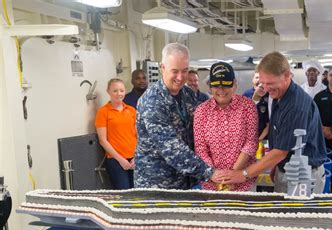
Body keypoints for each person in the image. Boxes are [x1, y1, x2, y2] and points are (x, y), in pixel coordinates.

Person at [222, 52, 327, 194]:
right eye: (263, 83)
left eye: (270, 83)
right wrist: (276, 166)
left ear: (287, 75)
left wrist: (243, 174)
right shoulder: (278, 95)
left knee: (300, 215)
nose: (266, 88)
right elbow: (278, 134)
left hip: (302, 177)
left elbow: (281, 152)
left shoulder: (296, 106)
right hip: (285, 169)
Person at [134, 42, 224, 189]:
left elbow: (201, 131)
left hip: (187, 180)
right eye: (174, 71)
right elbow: (171, 148)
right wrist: (209, 172)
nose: (180, 77)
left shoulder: (188, 94)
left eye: (185, 71)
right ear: (163, 68)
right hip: (157, 184)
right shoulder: (152, 101)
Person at [193, 62, 258, 191]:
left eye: (226, 85)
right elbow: (200, 148)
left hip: (242, 180)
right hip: (212, 183)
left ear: (234, 84)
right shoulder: (201, 111)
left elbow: (251, 143)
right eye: (216, 86)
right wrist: (214, 175)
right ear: (210, 87)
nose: (221, 90)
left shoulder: (248, 107)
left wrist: (233, 174)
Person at [95, 78, 137, 189]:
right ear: (108, 91)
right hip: (116, 160)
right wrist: (120, 160)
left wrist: (136, 157)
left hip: (134, 159)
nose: (119, 94)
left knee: (138, 192)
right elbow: (103, 141)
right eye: (115, 91)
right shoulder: (103, 112)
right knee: (124, 193)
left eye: (121, 90)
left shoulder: (132, 110)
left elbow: (139, 136)